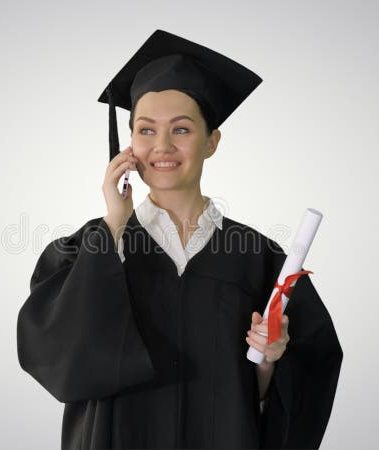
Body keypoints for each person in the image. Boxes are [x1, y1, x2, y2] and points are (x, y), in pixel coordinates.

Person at [17, 29, 342, 449]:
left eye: (182, 130)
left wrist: (270, 360)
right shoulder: (88, 249)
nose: (163, 146)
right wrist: (114, 226)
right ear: (129, 143)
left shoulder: (259, 259)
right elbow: (61, 361)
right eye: (146, 130)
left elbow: (294, 388)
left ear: (211, 142)